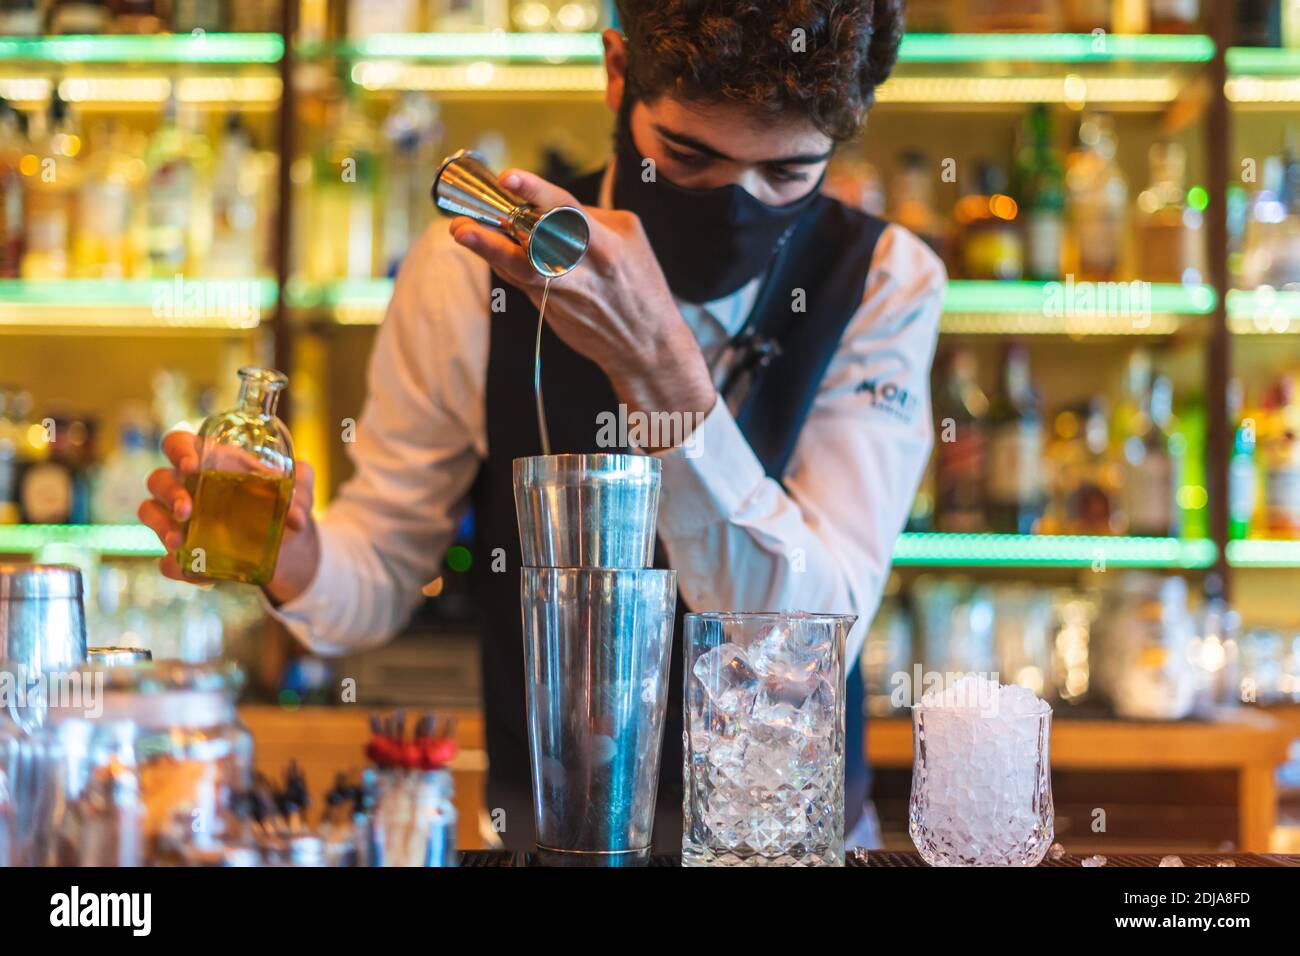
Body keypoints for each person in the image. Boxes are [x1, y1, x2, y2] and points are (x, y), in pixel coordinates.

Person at [139, 0, 943, 852]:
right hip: (541, 835)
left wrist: (662, 374)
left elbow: (802, 650)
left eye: (785, 176)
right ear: (615, 71)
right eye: (686, 156)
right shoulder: (470, 272)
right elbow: (379, 567)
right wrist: (293, 559)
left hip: (792, 850)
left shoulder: (884, 283)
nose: (733, 204)